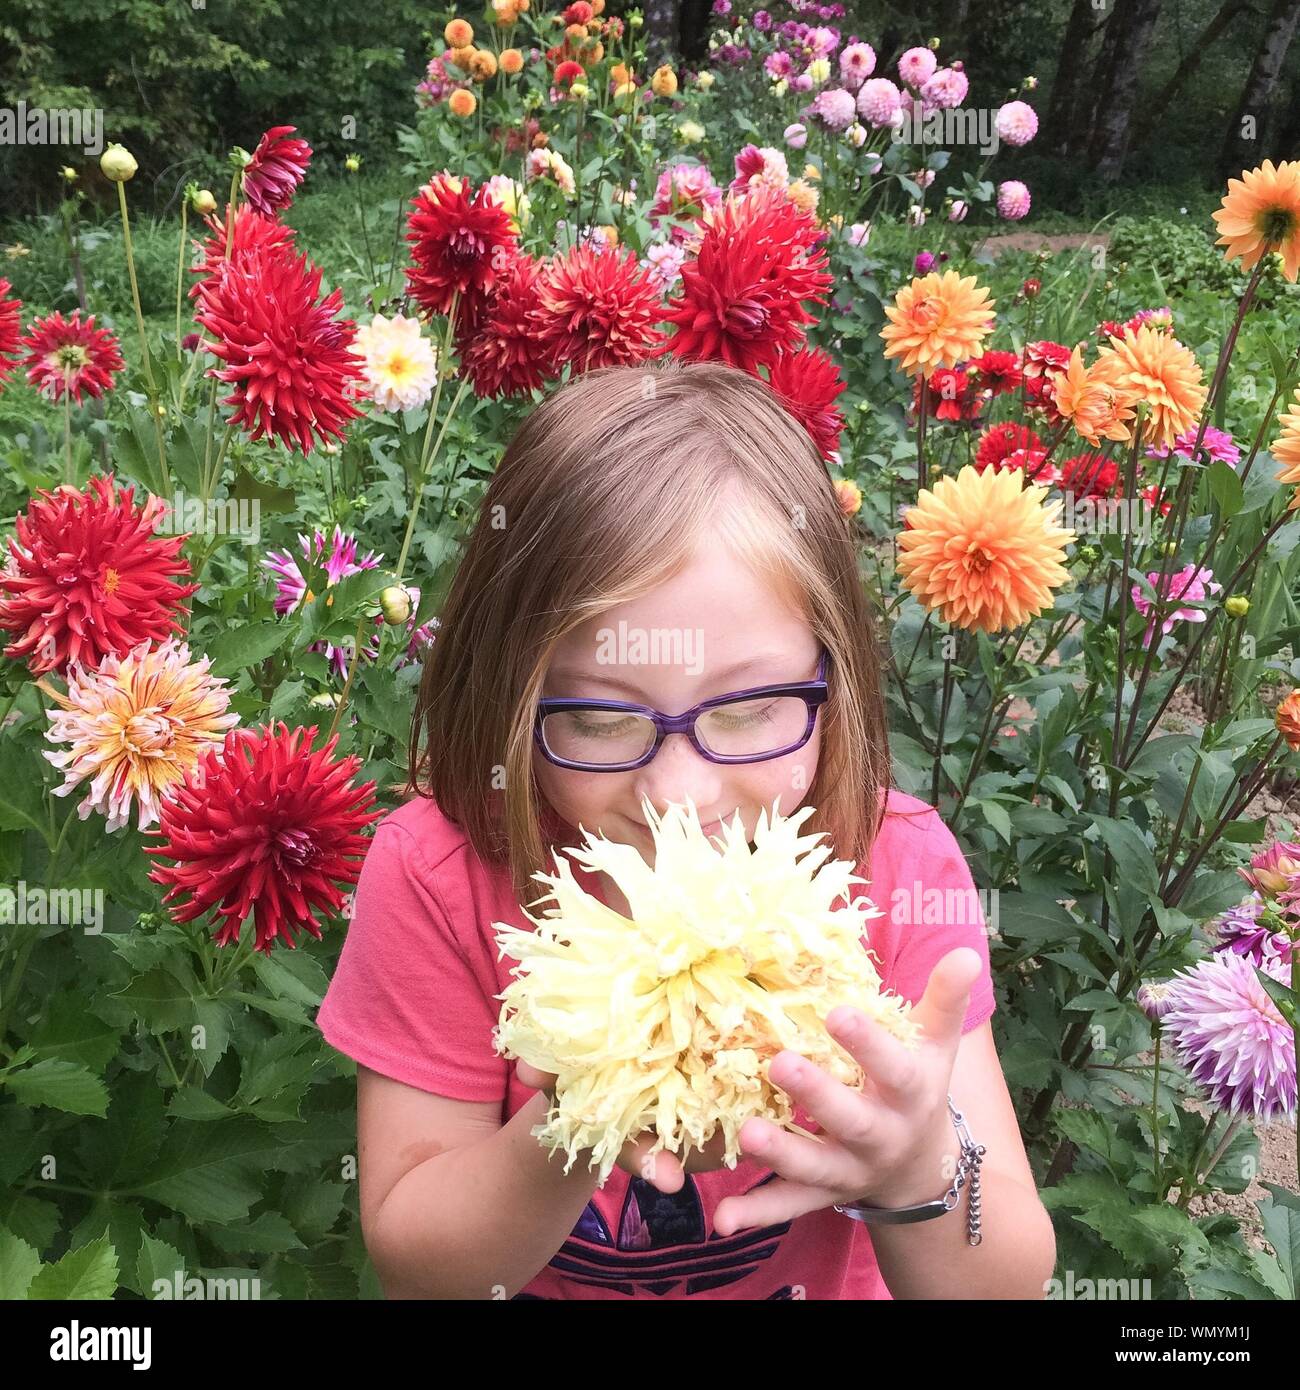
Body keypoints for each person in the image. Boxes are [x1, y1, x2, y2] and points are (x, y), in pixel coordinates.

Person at [315, 357, 1057, 1299]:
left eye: (748, 709)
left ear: (834, 683)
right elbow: (420, 1267)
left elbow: (1008, 1287)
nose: (678, 794)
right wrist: (578, 1114)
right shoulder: (438, 875)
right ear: (509, 696)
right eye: (598, 719)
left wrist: (920, 1172)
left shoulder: (893, 869)